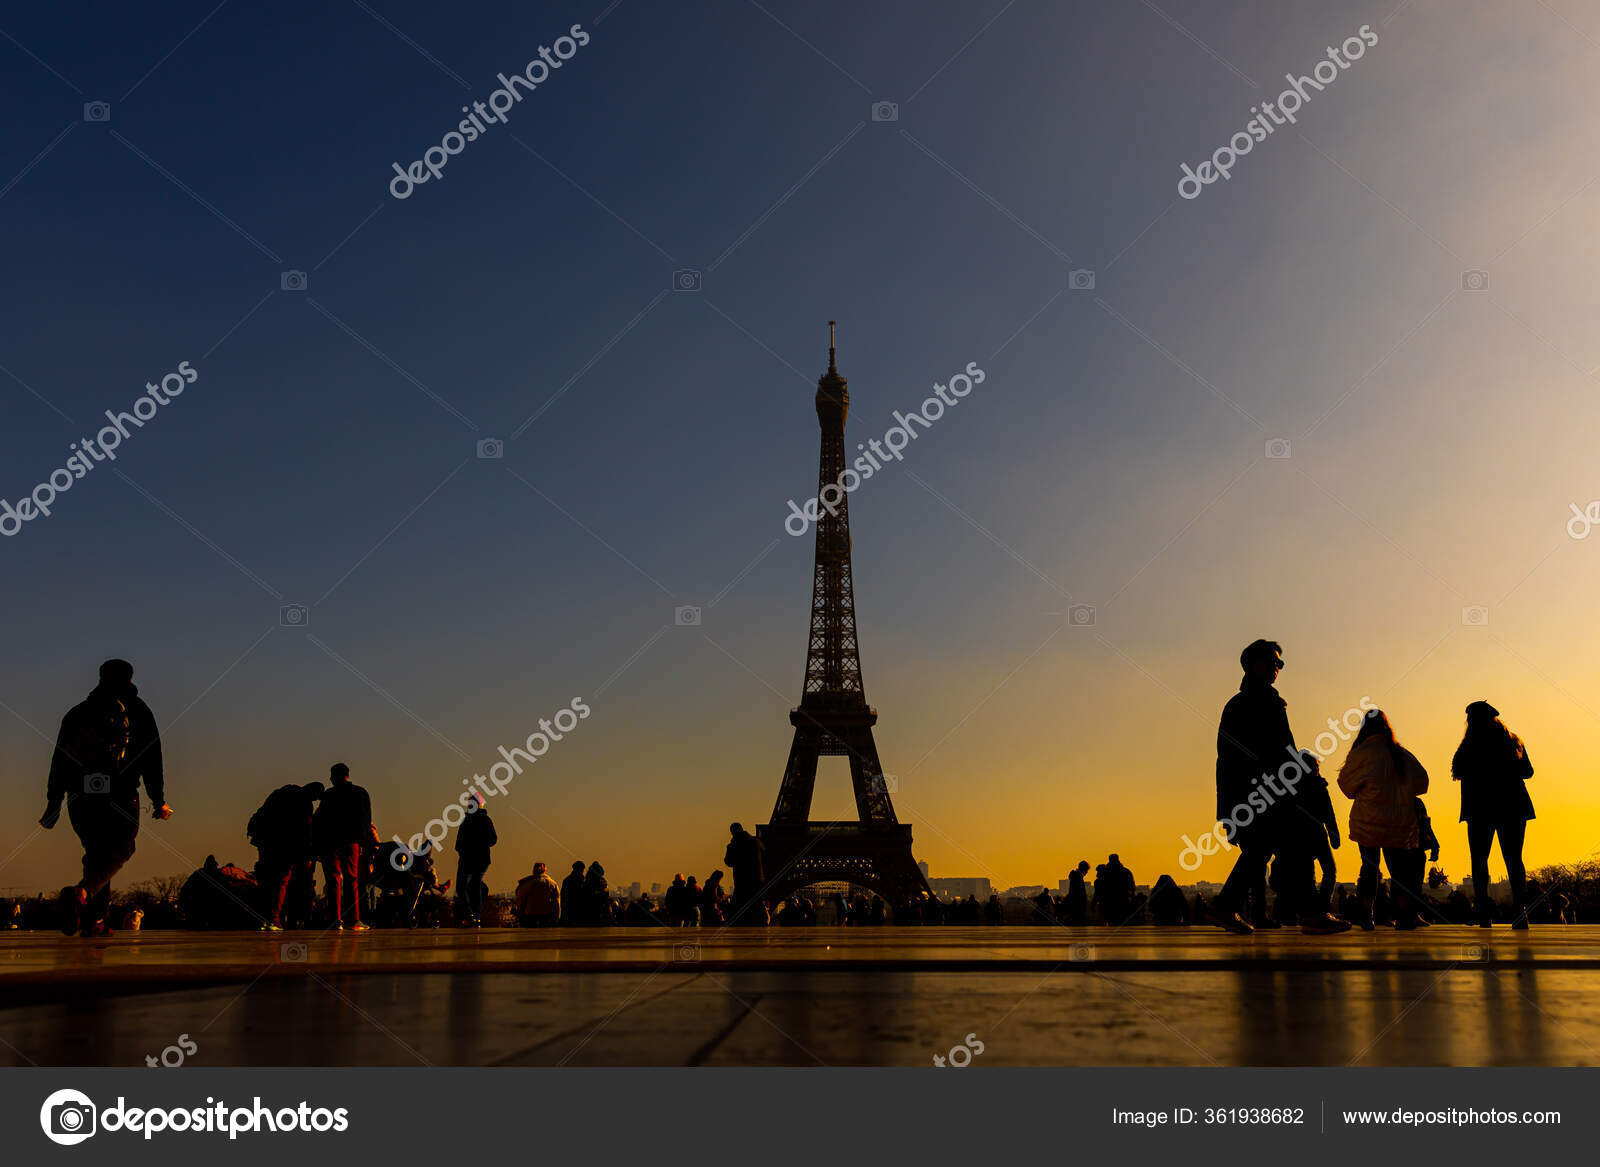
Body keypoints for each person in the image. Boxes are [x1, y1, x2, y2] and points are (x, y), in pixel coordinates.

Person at [42, 659, 173, 937]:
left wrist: (54, 800)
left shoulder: (78, 713)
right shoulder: (138, 711)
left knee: (97, 854)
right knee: (121, 850)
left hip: (80, 795)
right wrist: (158, 798)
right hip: (120, 792)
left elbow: (60, 758)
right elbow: (152, 758)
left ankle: (95, 920)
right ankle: (82, 893)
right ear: (130, 679)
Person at [1213, 640, 1299, 935]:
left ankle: (1242, 909)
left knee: (1259, 852)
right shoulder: (1260, 704)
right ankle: (1311, 910)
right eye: (1276, 662)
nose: (1279, 668)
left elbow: (1224, 762)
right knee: (1267, 850)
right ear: (1257, 664)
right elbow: (1281, 751)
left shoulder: (1243, 704)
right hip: (1262, 794)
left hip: (1252, 793)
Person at [1338, 709, 1429, 929]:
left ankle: (1366, 915)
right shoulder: (1401, 754)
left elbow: (1346, 787)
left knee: (1369, 867)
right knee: (1398, 872)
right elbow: (1423, 783)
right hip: (1398, 824)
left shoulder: (1361, 754)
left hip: (1367, 823)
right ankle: (1404, 915)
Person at [1452, 701, 1535, 929]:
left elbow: (1457, 771)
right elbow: (1528, 771)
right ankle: (1520, 912)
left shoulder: (1468, 745)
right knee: (1514, 860)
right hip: (1512, 807)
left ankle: (1483, 913)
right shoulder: (1513, 741)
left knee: (1479, 861)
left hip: (1480, 810)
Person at [1271, 752, 1351, 933]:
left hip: (1299, 838)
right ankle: (1321, 910)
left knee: (1311, 874)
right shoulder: (1319, 785)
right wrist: (1334, 835)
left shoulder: (1289, 787)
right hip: (1316, 835)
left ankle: (1316, 912)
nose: (1317, 769)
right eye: (1316, 766)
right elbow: (1328, 813)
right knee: (1328, 870)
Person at [247, 780, 324, 931]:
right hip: (284, 847)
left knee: (267, 881)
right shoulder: (305, 804)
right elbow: (304, 832)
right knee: (282, 882)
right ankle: (274, 919)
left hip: (265, 841)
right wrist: (311, 853)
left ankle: (264, 918)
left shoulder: (283, 792)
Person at [313, 763, 379, 931]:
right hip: (351, 842)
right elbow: (365, 819)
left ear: (333, 777)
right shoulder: (360, 793)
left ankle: (335, 920)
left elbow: (319, 820)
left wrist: (318, 844)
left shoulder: (327, 796)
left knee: (333, 880)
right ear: (348, 775)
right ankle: (353, 920)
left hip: (330, 843)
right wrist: (365, 842)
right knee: (351, 880)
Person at [453, 793, 497, 927]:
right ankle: (472, 913)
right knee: (469, 886)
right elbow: (493, 840)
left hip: (476, 859)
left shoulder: (482, 820)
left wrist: (471, 847)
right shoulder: (471, 821)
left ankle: (473, 914)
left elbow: (493, 839)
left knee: (470, 885)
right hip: (474, 859)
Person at [724, 822, 766, 923]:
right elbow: (765, 857)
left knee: (738, 907)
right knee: (757, 906)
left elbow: (728, 861)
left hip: (742, 880)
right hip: (758, 880)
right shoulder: (756, 841)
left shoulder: (735, 844)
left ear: (733, 833)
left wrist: (730, 846)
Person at [514, 861, 561, 926]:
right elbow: (556, 902)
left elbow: (520, 900)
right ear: (545, 870)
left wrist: (520, 914)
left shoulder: (526, 884)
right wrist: (556, 917)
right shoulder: (552, 883)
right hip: (546, 916)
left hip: (529, 916)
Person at [1093, 854, 1134, 924]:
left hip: (1108, 903)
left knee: (1111, 923)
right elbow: (1132, 887)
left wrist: (1094, 902)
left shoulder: (1105, 872)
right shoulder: (1126, 871)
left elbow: (1099, 890)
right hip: (1123, 902)